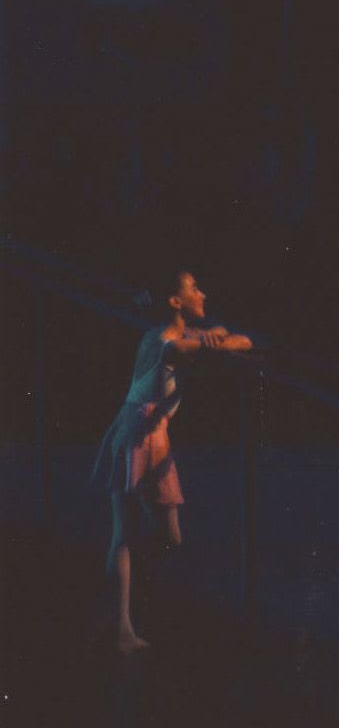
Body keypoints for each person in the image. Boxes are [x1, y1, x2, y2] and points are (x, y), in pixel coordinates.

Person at [92, 270, 253, 652]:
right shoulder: (171, 346)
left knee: (137, 535)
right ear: (176, 302)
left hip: (134, 427)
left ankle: (118, 613)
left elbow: (227, 337)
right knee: (151, 536)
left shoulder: (160, 333)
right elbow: (241, 343)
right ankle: (121, 622)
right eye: (194, 288)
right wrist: (218, 337)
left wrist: (214, 333)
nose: (203, 293)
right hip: (143, 434)